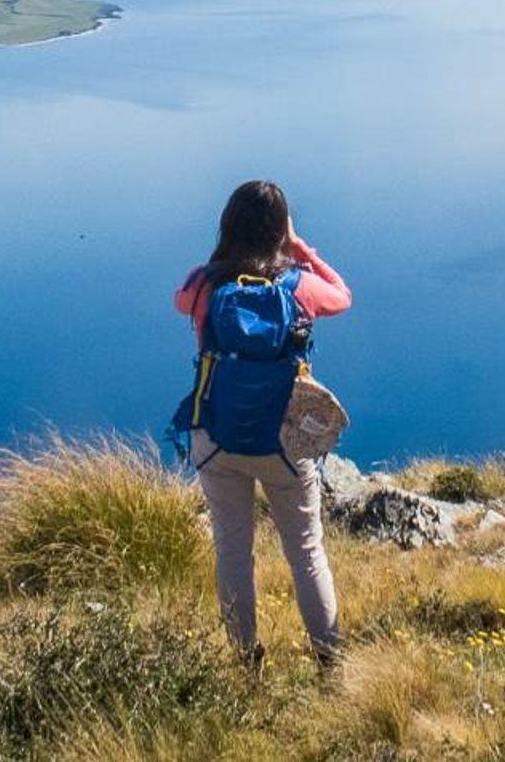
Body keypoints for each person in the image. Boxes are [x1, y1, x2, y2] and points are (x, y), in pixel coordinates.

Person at [174, 180, 352, 670]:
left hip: (218, 437)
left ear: (229, 224)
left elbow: (179, 299)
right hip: (285, 444)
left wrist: (217, 262)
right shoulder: (300, 289)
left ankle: (245, 661)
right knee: (307, 551)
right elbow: (343, 295)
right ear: (281, 230)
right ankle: (329, 661)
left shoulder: (206, 286)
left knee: (233, 553)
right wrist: (301, 248)